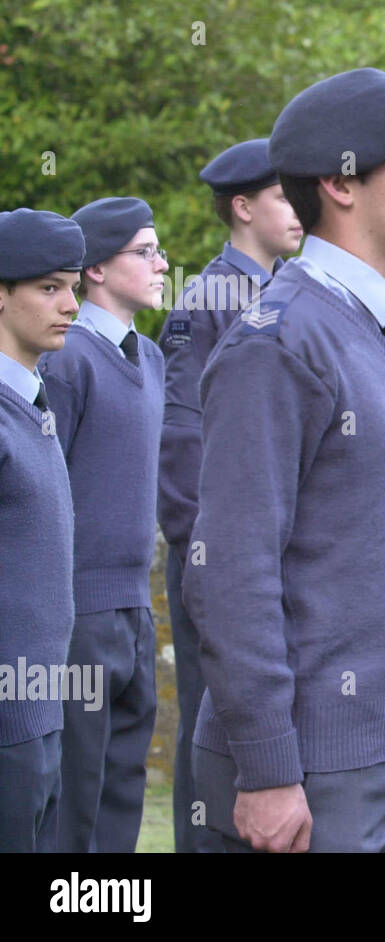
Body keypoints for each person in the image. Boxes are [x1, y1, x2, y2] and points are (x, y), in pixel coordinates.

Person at [183, 68, 385, 853]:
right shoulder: (281, 341)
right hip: (301, 772)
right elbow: (229, 568)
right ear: (340, 182)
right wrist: (267, 770)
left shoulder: (353, 326)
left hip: (355, 756)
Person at [157, 136, 302, 853]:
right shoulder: (208, 301)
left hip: (260, 556)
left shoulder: (278, 292)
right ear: (242, 207)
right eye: (283, 196)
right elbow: (182, 445)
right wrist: (206, 557)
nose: (299, 208)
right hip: (218, 561)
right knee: (210, 728)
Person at [40, 196, 166, 853]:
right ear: (94, 270)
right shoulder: (65, 361)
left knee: (123, 787)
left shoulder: (151, 358)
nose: (162, 263)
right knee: (74, 801)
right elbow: (41, 487)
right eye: (145, 252)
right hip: (79, 615)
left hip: (135, 609)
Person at [0, 210, 83, 853]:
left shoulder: (34, 400)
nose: (72, 306)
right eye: (50, 288)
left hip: (40, 710)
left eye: (74, 287)